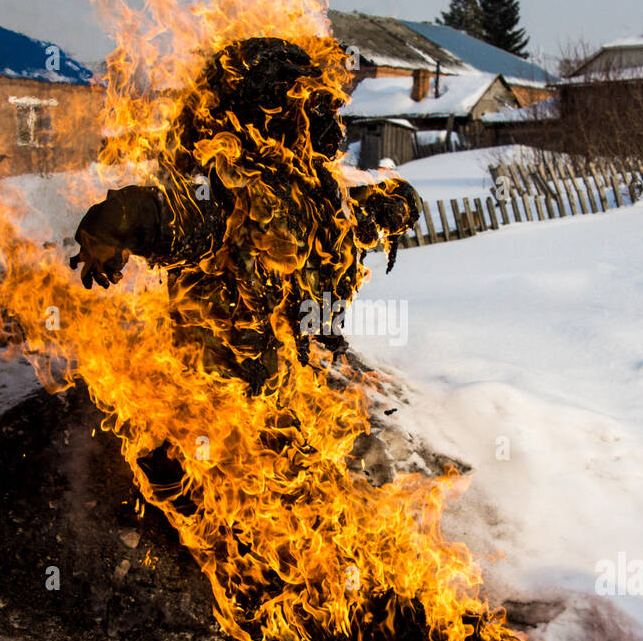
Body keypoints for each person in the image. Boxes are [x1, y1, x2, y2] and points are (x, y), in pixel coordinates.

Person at [70, 36, 419, 390]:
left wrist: (398, 203)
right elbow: (175, 211)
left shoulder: (311, 190)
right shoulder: (232, 181)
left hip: (275, 370)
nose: (327, 114)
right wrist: (111, 225)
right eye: (308, 100)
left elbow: (354, 216)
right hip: (216, 383)